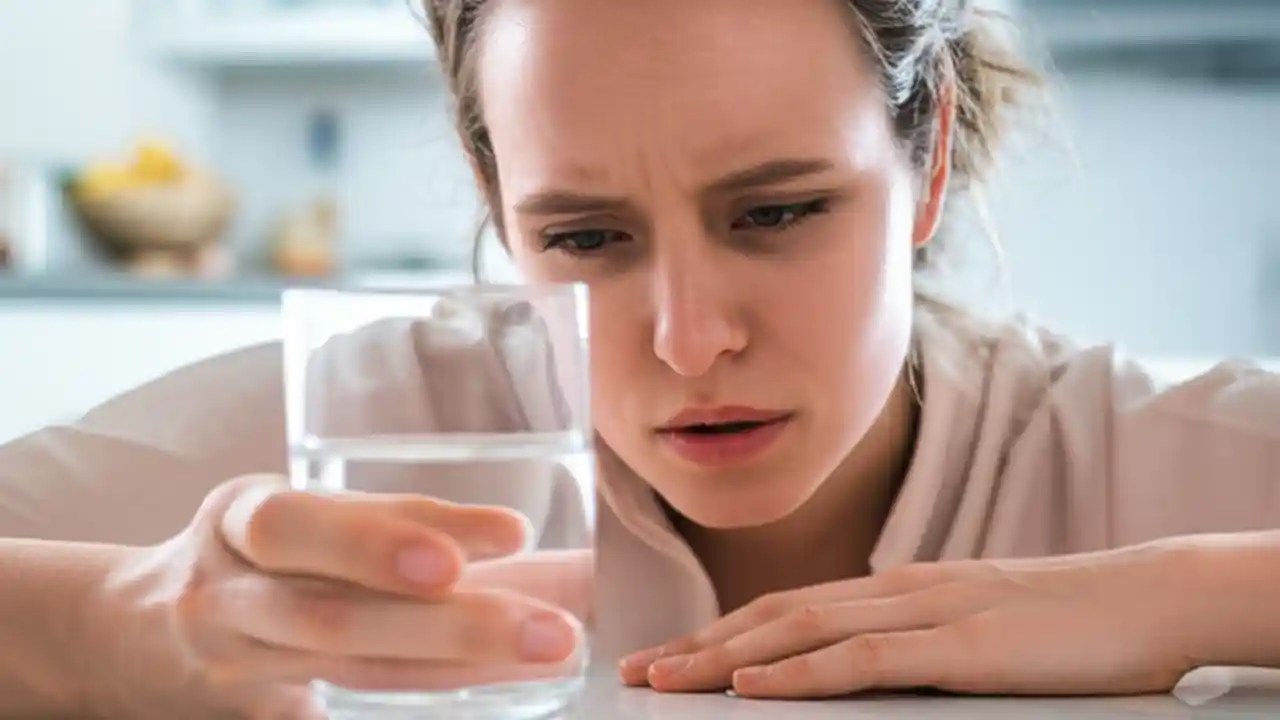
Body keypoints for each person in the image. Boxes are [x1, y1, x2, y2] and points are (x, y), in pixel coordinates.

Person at [2, 0, 1279, 716]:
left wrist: (1193, 598)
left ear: (926, 157)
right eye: (585, 235)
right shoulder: (384, 416)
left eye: (775, 213)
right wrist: (116, 618)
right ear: (496, 199)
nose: (688, 338)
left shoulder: (1131, 446)